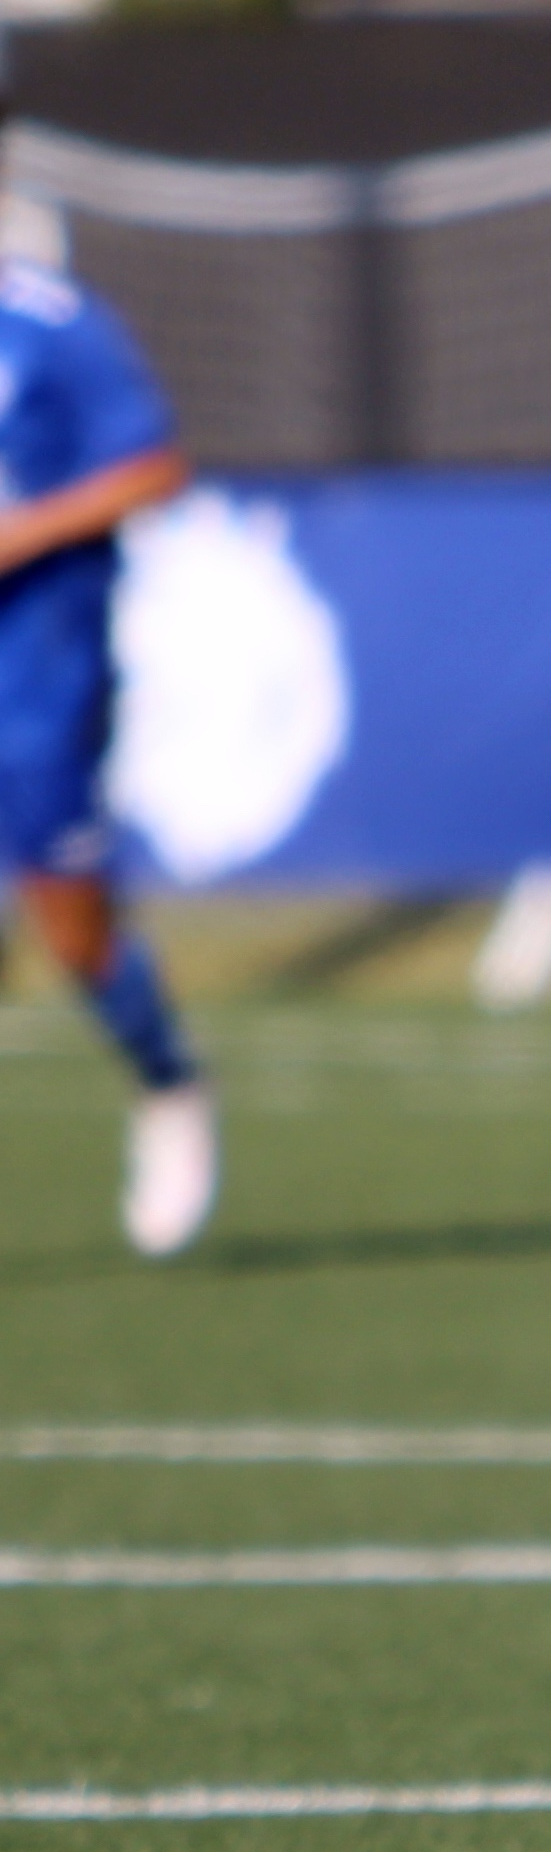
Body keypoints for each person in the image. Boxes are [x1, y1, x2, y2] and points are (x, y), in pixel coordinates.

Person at [0, 260, 208, 1257]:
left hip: (38, 676)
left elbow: (155, 467)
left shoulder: (54, 322)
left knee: (73, 934)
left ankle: (167, 1080)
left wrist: (23, 532)